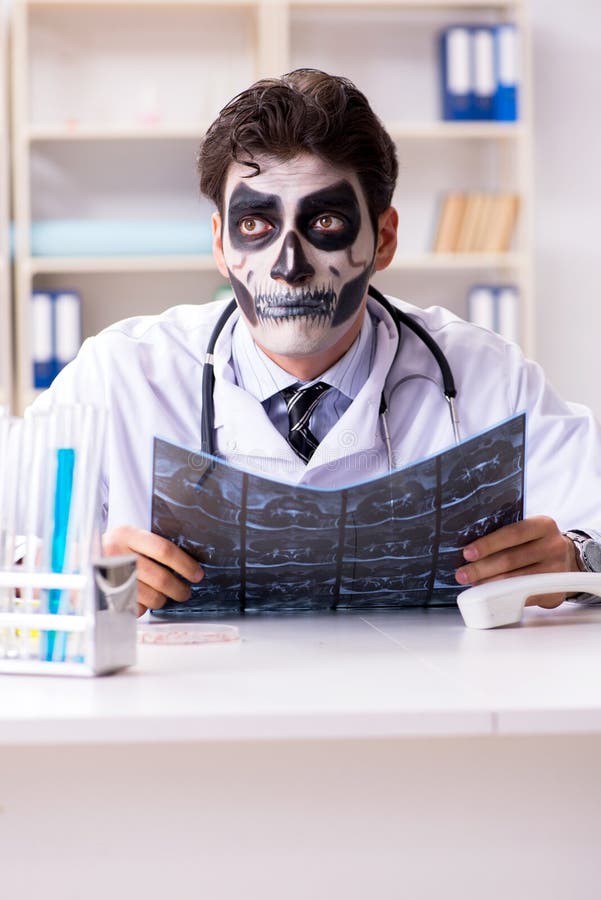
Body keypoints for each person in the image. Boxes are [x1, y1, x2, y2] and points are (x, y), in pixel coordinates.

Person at [29, 69, 601, 616]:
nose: (288, 267)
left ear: (384, 239)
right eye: (255, 225)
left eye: (325, 222)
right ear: (219, 243)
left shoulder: (488, 373)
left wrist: (576, 556)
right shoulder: (119, 374)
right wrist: (71, 571)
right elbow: (16, 550)